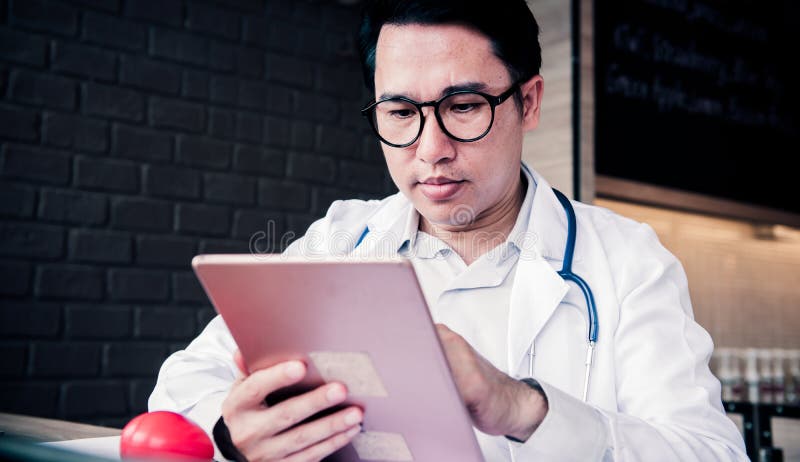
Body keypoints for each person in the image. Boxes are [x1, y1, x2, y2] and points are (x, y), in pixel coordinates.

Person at [149, 1, 748, 460]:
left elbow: (711, 452)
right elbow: (181, 387)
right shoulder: (339, 238)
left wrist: (521, 406)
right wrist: (233, 433)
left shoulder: (626, 259)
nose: (431, 150)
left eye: (463, 107)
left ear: (529, 102)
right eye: (402, 113)